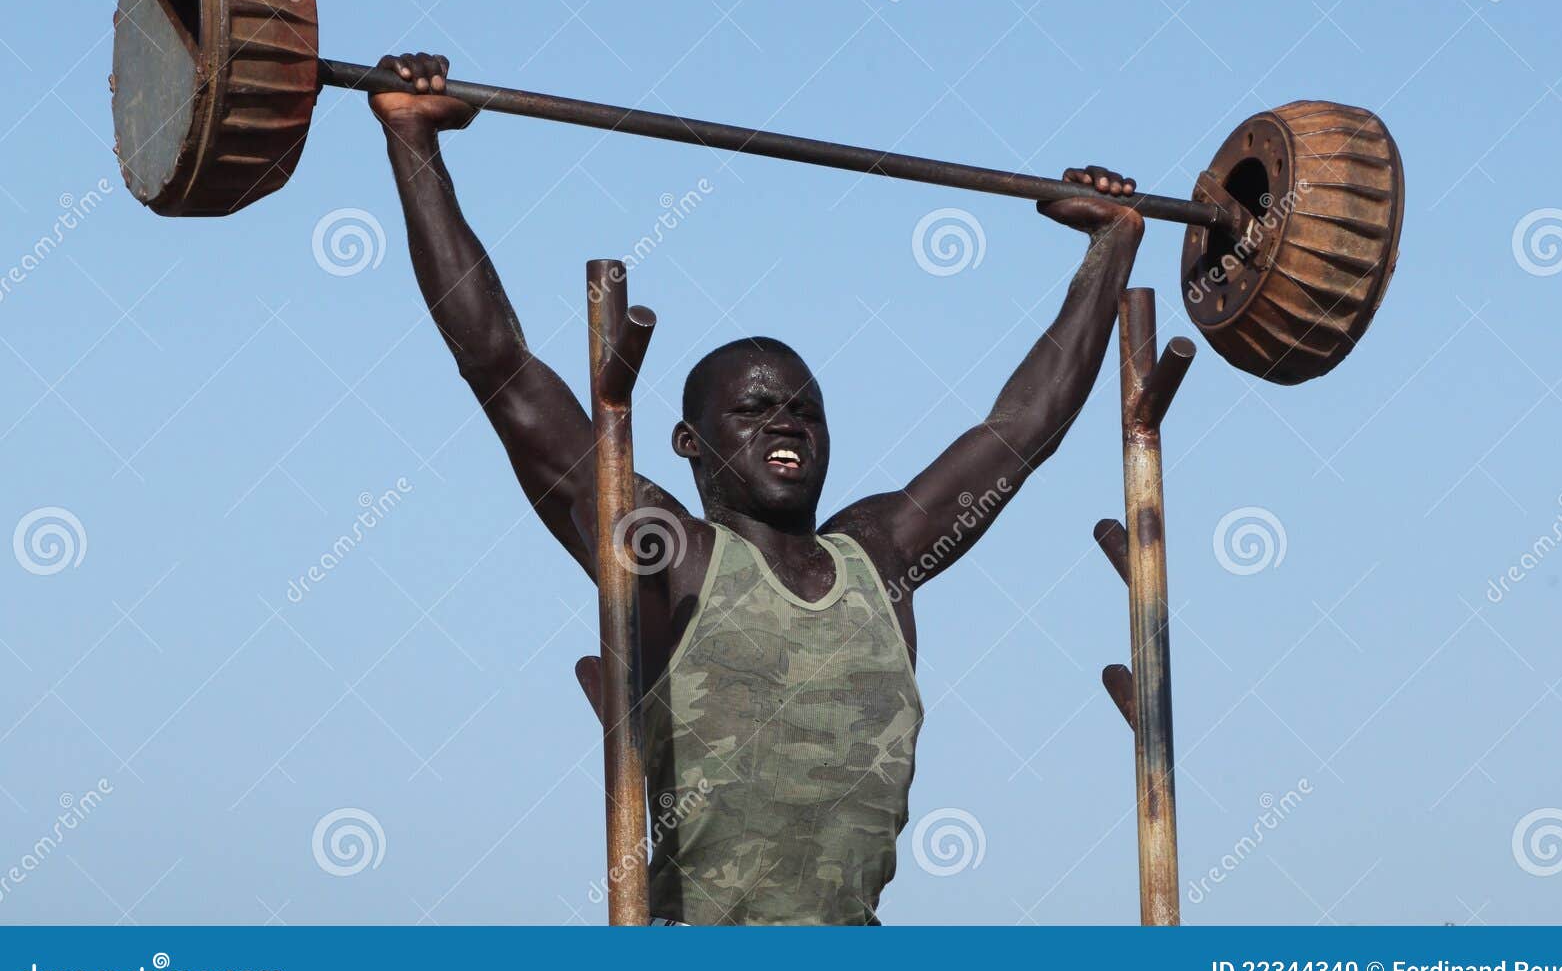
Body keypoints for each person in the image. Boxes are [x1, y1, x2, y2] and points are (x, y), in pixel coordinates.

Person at [370, 51, 1144, 925]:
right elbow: (502, 371)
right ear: (690, 445)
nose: (787, 424)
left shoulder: (880, 553)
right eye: (756, 410)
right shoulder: (669, 549)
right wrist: (413, 143)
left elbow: (1021, 429)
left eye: (805, 411)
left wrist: (1112, 246)